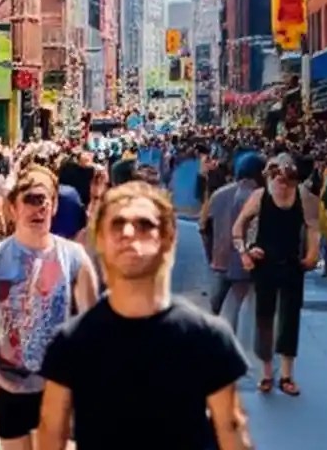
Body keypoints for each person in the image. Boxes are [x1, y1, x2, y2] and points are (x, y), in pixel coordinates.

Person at [37, 182, 253, 449]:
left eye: (144, 225)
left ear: (168, 238)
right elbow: (50, 433)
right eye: (117, 224)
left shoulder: (207, 337)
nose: (129, 233)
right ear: (100, 240)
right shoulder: (71, 343)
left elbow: (231, 430)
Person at [0, 165, 97, 450]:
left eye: (45, 200)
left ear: (54, 206)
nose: (38, 208)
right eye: (30, 199)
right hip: (10, 383)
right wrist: (2, 380)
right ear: (13, 207)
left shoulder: (74, 257)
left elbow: (93, 330)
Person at [232, 153, 320, 396]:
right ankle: (267, 372)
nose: (282, 185)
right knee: (264, 317)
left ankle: (287, 375)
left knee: (290, 317)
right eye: (278, 178)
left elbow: (314, 227)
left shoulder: (303, 197)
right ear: (270, 178)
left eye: (287, 180)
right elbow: (238, 227)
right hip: (265, 264)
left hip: (292, 263)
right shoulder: (260, 197)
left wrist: (313, 253)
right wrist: (246, 252)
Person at [206, 152, 266, 335]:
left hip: (220, 260)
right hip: (244, 262)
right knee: (239, 310)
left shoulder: (218, 194)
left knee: (216, 308)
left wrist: (211, 253)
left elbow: (204, 226)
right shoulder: (259, 198)